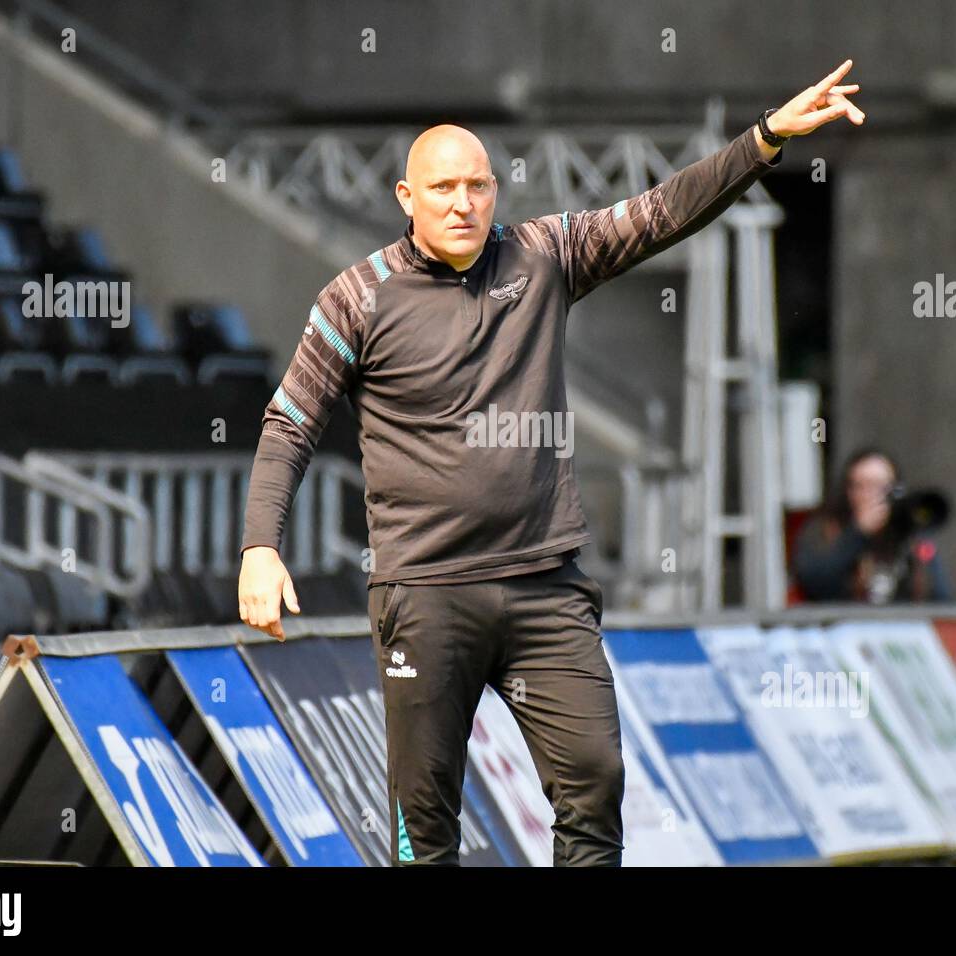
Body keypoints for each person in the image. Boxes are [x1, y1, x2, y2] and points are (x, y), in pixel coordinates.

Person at [239, 61, 867, 865]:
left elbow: (662, 212)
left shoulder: (544, 257)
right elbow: (289, 423)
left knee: (596, 784)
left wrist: (766, 138)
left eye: (478, 185)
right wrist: (262, 544)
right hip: (426, 594)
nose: (463, 203)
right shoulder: (357, 298)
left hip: (545, 587)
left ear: (496, 191)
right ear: (406, 199)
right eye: (442, 189)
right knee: (422, 827)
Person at [792, 446, 953, 604]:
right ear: (849, 490)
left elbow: (941, 597)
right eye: (864, 486)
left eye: (883, 486)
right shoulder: (825, 529)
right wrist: (857, 534)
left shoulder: (910, 536)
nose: (874, 495)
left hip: (901, 626)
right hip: (845, 625)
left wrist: (915, 536)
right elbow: (814, 584)